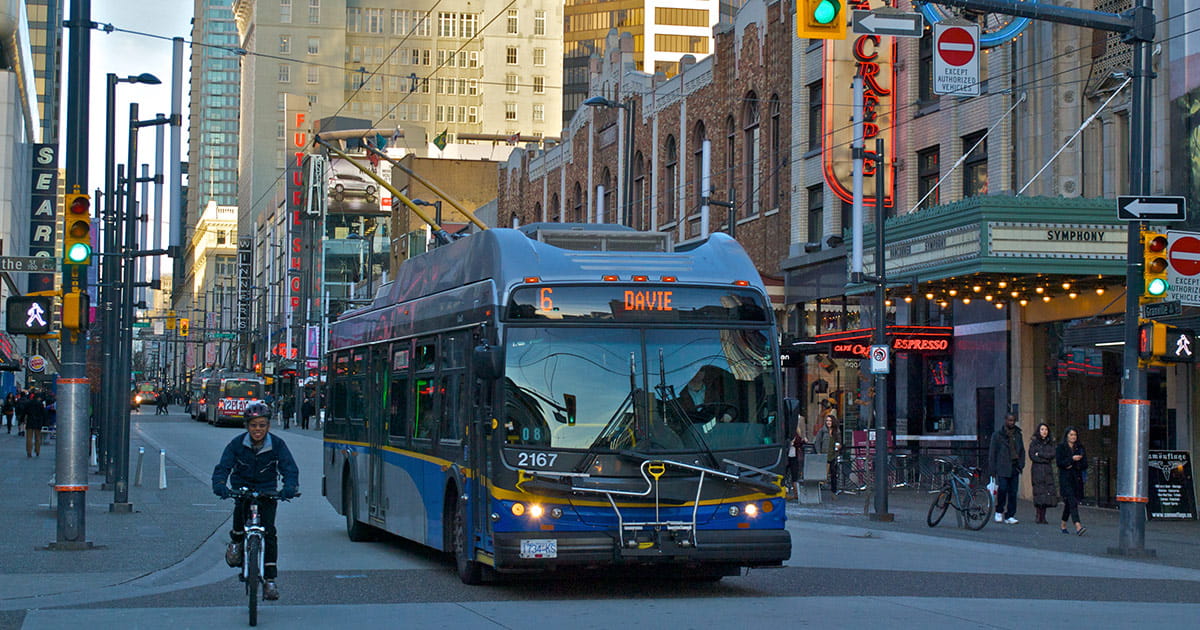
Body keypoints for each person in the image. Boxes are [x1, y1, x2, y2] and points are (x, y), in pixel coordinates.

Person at [211, 401, 300, 601]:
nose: (257, 429)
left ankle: (270, 580)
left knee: (269, 533)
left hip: (267, 490)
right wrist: (220, 484)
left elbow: (289, 468)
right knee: (239, 514)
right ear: (246, 426)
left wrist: (289, 487)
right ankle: (236, 541)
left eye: (262, 425)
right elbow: (223, 467)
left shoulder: (277, 444)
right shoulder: (236, 444)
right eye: (253, 425)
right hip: (242, 487)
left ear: (268, 426)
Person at [988, 413, 1025, 524]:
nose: (1011, 422)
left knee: (1013, 492)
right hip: (1002, 466)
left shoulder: (1018, 434)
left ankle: (1010, 515)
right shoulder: (997, 435)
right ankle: (999, 511)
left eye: (1013, 420)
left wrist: (1021, 465)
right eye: (1009, 420)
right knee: (1002, 489)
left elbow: (1021, 450)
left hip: (1014, 466)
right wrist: (992, 469)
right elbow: (993, 453)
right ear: (1005, 420)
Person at [1056, 426, 1087, 536]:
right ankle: (1078, 525)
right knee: (1072, 501)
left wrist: (1076, 462)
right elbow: (1060, 463)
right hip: (1066, 478)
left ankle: (1063, 523)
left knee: (1070, 503)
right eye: (1071, 435)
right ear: (1067, 436)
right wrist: (1071, 460)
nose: (1073, 437)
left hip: (1076, 478)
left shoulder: (1080, 447)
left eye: (1075, 435)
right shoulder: (1061, 447)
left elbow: (1085, 464)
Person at [1028, 422, 1058, 524]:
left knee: (1046, 492)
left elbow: (1052, 455)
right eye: (1042, 429)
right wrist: (1044, 457)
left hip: (1047, 470)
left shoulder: (1050, 443)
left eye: (1046, 429)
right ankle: (1038, 514)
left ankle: (1043, 516)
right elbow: (1032, 456)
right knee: (1038, 491)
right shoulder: (1034, 443)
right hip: (1037, 470)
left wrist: (1040, 454)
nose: (1044, 431)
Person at [814, 414, 839, 495]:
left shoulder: (837, 431)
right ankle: (818, 490)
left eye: (830, 421)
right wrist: (818, 452)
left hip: (833, 455)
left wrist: (839, 447)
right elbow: (817, 441)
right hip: (824, 455)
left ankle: (834, 490)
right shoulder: (822, 431)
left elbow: (839, 441)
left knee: (833, 473)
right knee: (822, 474)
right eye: (827, 421)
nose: (828, 422)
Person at [787, 418, 807, 501]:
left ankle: (795, 493)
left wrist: (797, 442)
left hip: (793, 455)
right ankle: (788, 493)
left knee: (794, 475)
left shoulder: (797, 433)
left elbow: (799, 442)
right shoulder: (789, 432)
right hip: (789, 454)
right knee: (787, 474)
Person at [23, 392, 46, 457]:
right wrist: (44, 422)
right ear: (39, 398)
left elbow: (24, 412)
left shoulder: (28, 403)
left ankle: (29, 452)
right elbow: (43, 414)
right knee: (38, 438)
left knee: (29, 438)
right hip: (38, 423)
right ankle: (37, 451)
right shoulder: (40, 404)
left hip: (30, 422)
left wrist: (22, 420)